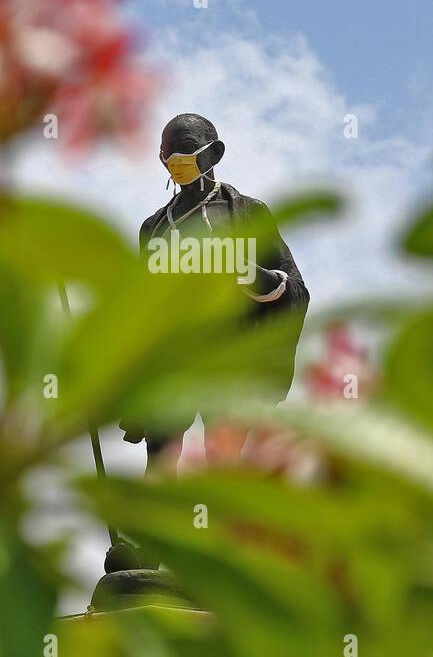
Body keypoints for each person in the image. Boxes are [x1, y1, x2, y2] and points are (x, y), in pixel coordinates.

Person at [120, 113, 309, 476]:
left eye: (186, 151)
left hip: (228, 355)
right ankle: (150, 520)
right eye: (167, 154)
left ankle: (223, 521)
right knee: (161, 444)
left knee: (223, 449)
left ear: (214, 153)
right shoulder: (154, 228)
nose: (175, 161)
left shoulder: (248, 214)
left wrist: (255, 278)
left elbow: (295, 290)